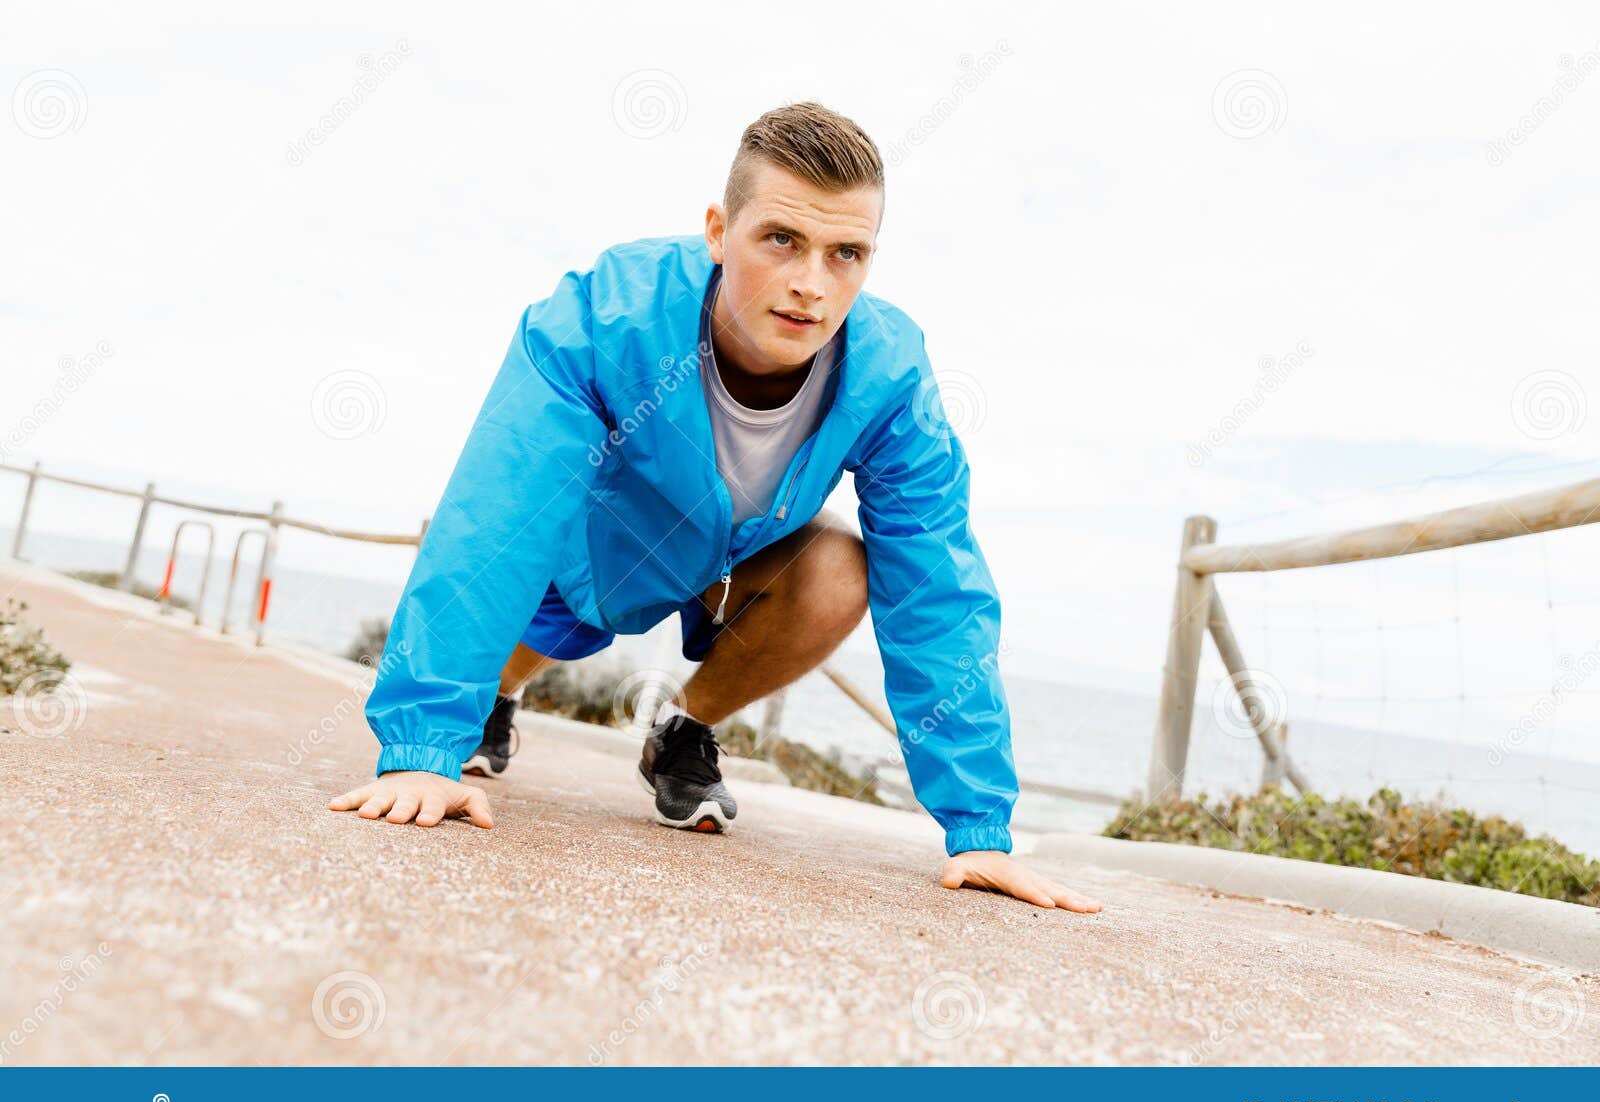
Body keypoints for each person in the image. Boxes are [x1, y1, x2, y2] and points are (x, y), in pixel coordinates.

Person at [330, 102, 1100, 913]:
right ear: (716, 230)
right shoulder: (603, 316)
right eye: (781, 240)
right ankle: (497, 694)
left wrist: (980, 829)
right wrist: (422, 748)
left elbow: (936, 584)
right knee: (535, 634)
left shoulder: (890, 374)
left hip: (731, 560)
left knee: (841, 568)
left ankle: (682, 731)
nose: (812, 283)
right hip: (591, 549)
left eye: (847, 253)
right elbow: (497, 514)